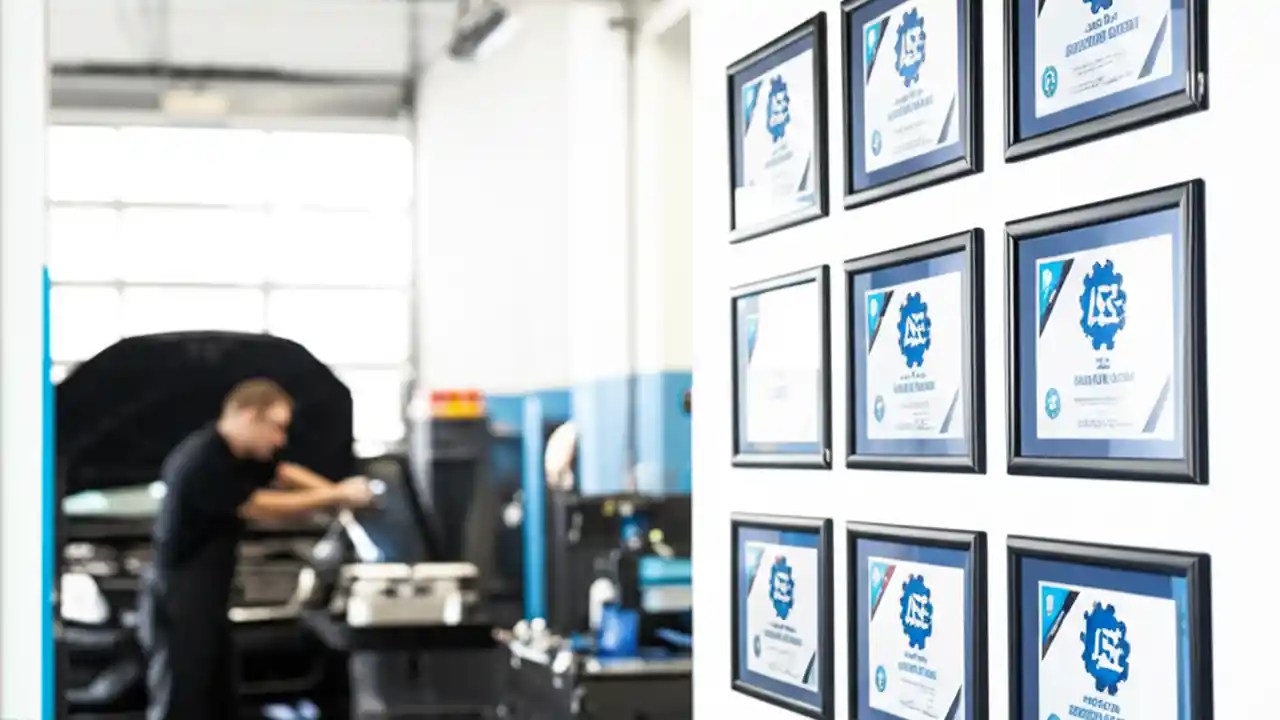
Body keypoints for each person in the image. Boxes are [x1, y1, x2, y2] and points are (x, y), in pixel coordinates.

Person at [140, 378, 374, 720]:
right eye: (277, 427)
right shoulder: (202, 460)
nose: (281, 440)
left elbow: (283, 473)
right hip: (179, 601)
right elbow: (258, 505)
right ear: (249, 416)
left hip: (208, 601)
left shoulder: (235, 454)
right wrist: (338, 495)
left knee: (218, 701)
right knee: (184, 703)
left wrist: (339, 495)